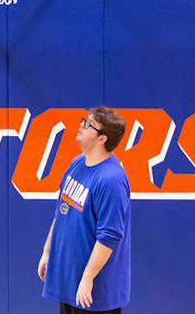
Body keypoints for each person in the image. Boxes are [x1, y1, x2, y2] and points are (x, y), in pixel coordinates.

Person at [38, 106, 131, 314]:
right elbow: (62, 212)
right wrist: (47, 252)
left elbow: (109, 236)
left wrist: (88, 277)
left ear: (102, 139)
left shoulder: (111, 180)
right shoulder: (77, 164)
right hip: (70, 282)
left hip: (94, 293)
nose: (81, 125)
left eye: (89, 124)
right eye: (84, 120)